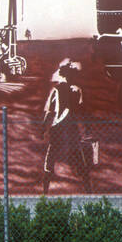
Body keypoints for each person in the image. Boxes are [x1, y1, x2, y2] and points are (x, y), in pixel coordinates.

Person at [41, 64, 90, 194]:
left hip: (58, 128)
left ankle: (45, 192)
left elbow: (49, 111)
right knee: (79, 159)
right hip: (71, 129)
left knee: (50, 159)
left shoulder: (56, 90)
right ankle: (89, 190)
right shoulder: (77, 90)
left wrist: (43, 128)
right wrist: (86, 129)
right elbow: (81, 112)